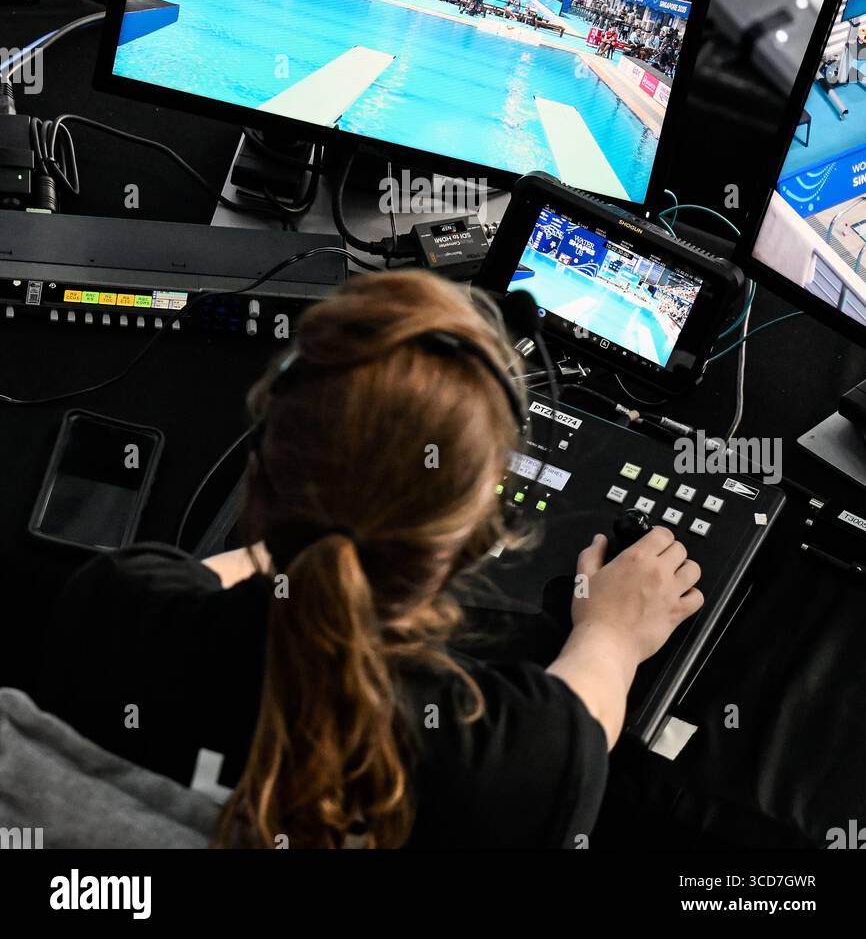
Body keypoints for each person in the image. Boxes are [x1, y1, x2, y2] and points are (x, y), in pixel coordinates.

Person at [36, 271, 702, 850]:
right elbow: (586, 717)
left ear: (259, 472)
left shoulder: (117, 607)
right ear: (474, 539)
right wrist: (611, 634)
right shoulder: (511, 764)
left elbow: (254, 563)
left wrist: (327, 502)